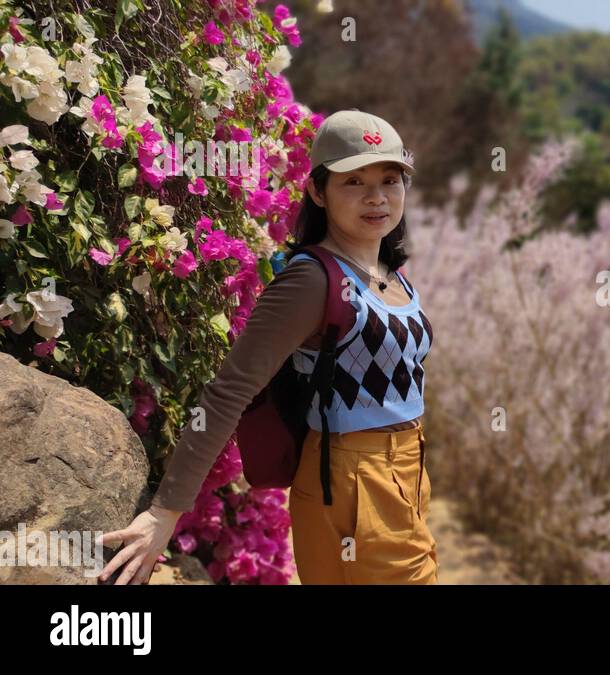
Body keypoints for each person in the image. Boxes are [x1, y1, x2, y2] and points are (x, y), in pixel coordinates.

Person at [97, 110, 439, 585]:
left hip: (405, 472)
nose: (377, 196)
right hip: (352, 482)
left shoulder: (392, 273)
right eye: (354, 182)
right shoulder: (313, 279)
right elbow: (229, 391)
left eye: (389, 179)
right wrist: (165, 512)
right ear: (318, 191)